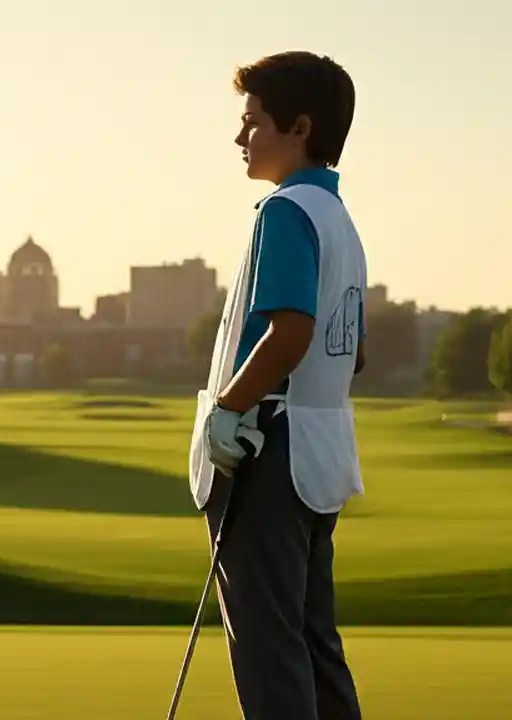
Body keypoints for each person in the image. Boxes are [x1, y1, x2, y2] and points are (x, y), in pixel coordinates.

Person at [186, 50, 367, 719]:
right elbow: (353, 351)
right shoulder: (340, 221)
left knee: (269, 650)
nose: (241, 138)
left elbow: (289, 335)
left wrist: (230, 410)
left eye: (253, 122)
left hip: (269, 448)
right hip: (320, 451)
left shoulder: (284, 213)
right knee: (314, 642)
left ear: (299, 127)